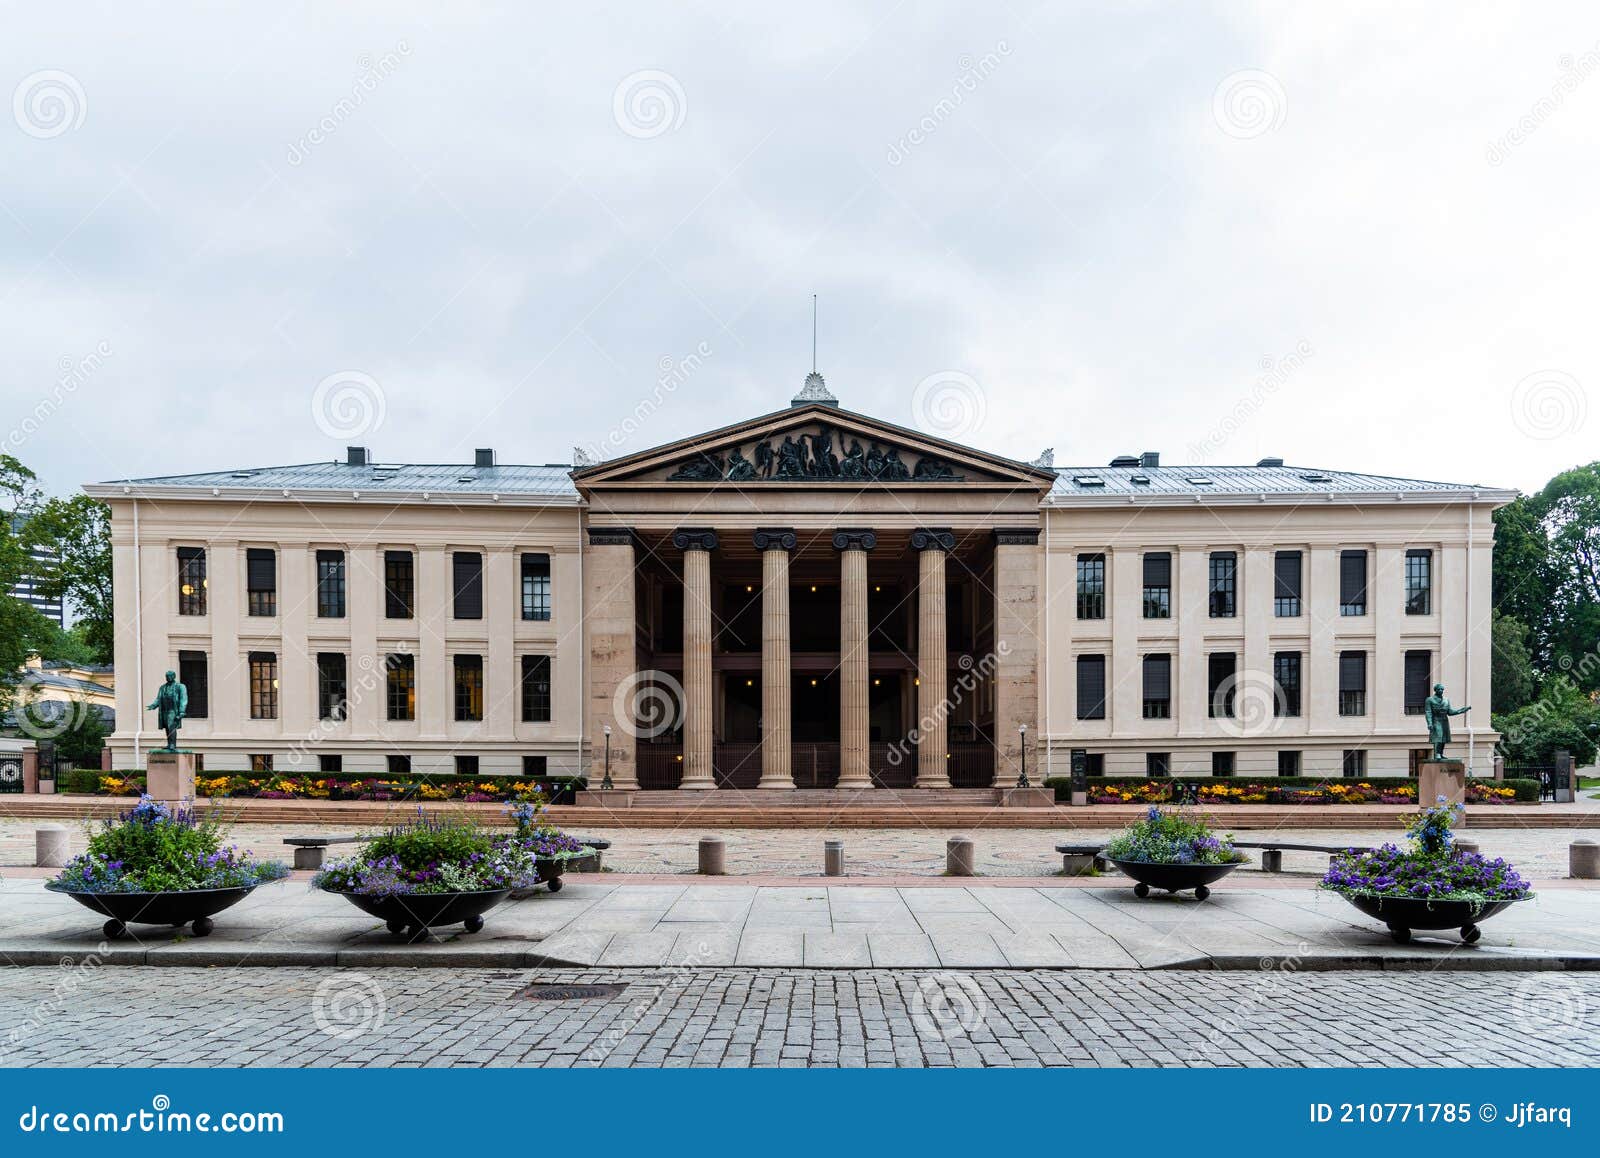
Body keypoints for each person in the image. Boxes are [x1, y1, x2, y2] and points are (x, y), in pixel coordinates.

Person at [1422, 682, 1470, 761]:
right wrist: (1429, 723)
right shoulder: (1429, 700)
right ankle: (1437, 754)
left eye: (1442, 689)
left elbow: (1450, 712)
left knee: (1444, 738)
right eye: (1439, 689)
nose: (1441, 690)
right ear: (1435, 690)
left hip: (1444, 720)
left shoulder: (1446, 700)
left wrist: (1462, 710)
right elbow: (1428, 712)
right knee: (1438, 737)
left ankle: (1440, 754)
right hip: (1436, 720)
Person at [147, 670, 188, 752]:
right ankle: (169, 744)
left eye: (169, 676)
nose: (167, 677)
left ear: (174, 676)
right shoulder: (162, 688)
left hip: (173, 710)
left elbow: (183, 699)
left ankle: (173, 744)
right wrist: (153, 705)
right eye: (166, 676)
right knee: (167, 727)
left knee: (171, 726)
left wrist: (182, 712)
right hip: (164, 710)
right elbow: (158, 699)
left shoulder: (180, 686)